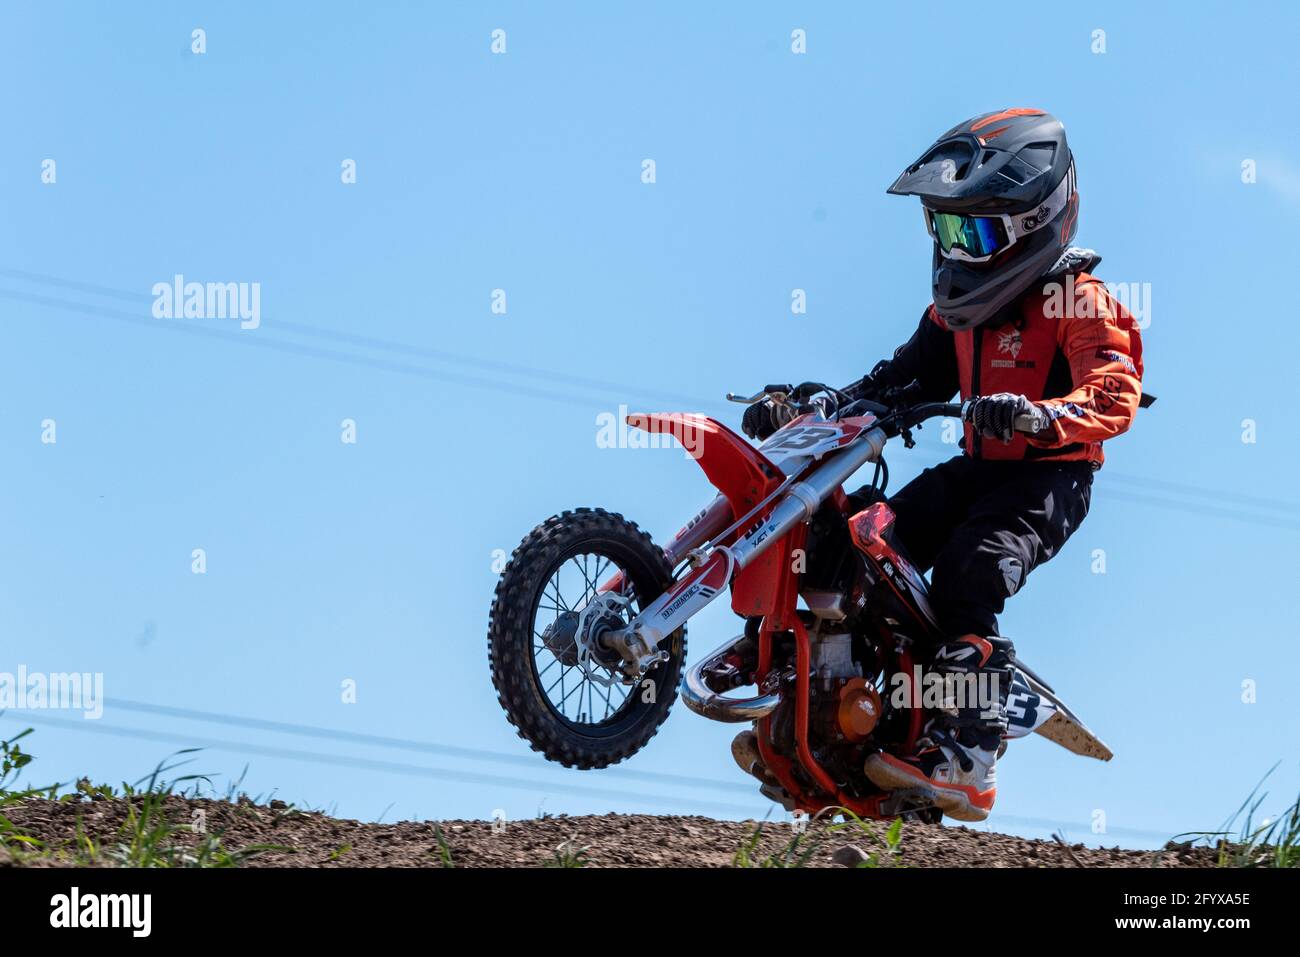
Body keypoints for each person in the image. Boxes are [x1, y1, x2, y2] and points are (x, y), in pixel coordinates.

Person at [741, 109, 1145, 821]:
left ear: (1036, 222)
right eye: (947, 230)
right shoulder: (955, 315)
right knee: (858, 532)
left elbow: (1115, 390)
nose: (959, 249)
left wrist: (1042, 414)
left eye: (977, 232)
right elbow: (898, 381)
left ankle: (970, 755)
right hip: (977, 468)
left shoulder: (1078, 301)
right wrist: (817, 407)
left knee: (971, 567)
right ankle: (826, 708)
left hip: (1047, 477)